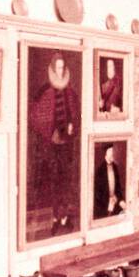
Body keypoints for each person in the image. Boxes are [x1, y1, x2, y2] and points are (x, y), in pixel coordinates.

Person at [28, 54, 79, 234]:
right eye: (57, 67)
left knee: (66, 180)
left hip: (66, 143)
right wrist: (49, 132)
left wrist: (72, 125)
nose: (60, 70)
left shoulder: (70, 91)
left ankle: (65, 217)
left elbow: (75, 112)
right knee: (53, 181)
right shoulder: (44, 90)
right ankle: (55, 218)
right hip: (50, 144)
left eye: (62, 67)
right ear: (52, 68)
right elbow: (34, 116)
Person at [93, 144, 125, 219]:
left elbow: (118, 188)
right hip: (104, 206)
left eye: (113, 151)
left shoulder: (115, 167)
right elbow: (97, 194)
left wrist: (120, 200)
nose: (113, 154)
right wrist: (108, 203)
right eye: (111, 151)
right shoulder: (99, 170)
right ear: (106, 153)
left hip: (115, 202)